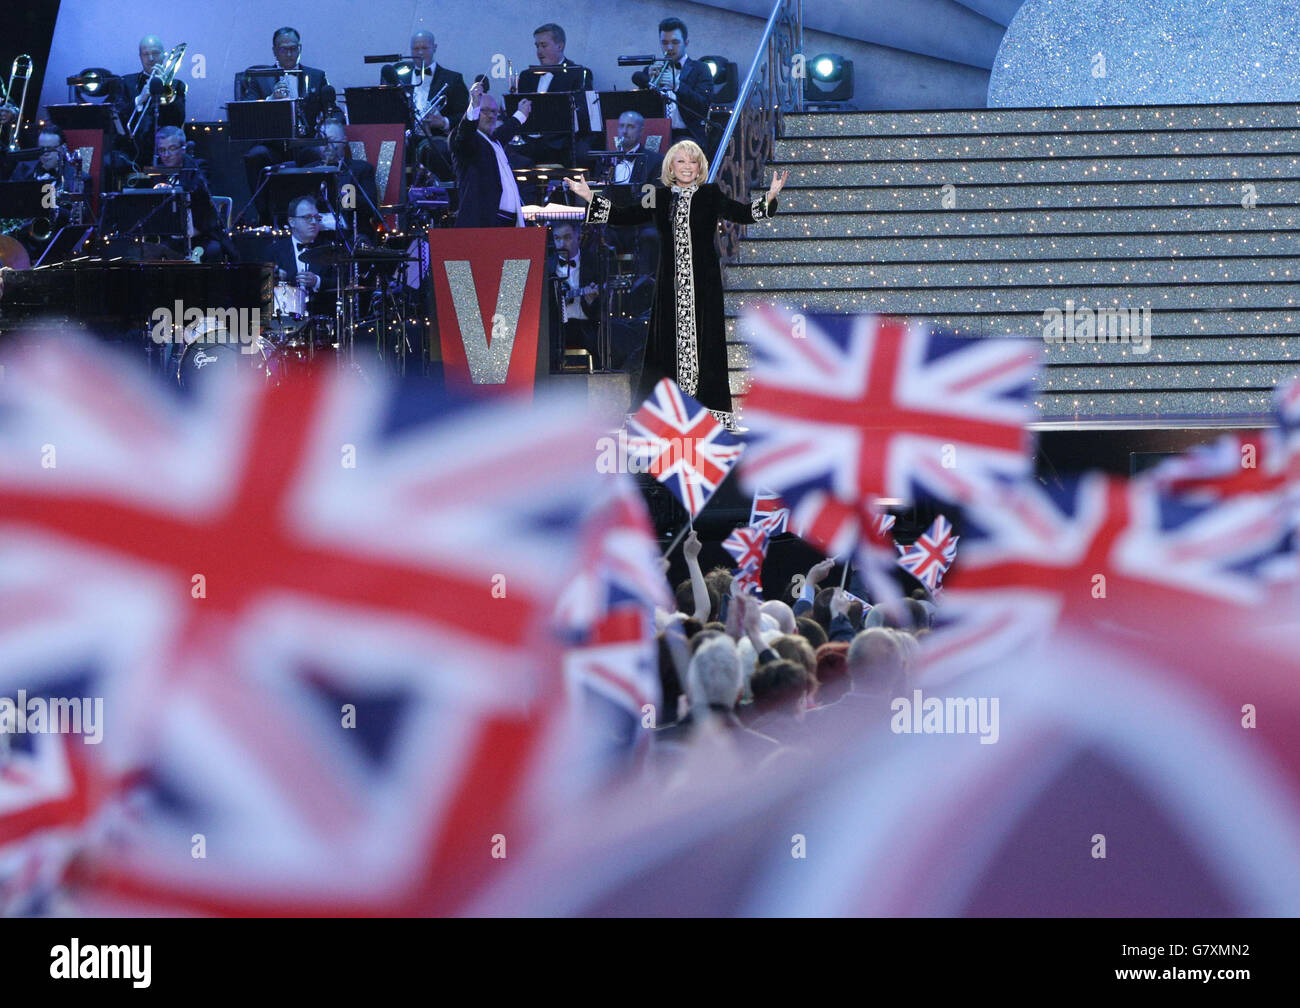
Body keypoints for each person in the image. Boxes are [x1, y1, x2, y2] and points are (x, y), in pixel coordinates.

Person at [564, 141, 786, 427]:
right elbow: (625, 215)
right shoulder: (658, 196)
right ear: (671, 166)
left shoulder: (710, 194)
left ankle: (708, 414)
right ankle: (665, 414)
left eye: (692, 162)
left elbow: (741, 213)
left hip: (704, 286)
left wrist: (769, 198)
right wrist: (589, 196)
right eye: (681, 162)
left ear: (699, 167)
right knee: (664, 348)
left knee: (707, 346)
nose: (687, 167)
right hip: (670, 286)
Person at [241, 28, 332, 223]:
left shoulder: (316, 76)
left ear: (300, 48)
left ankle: (316, 214)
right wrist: (271, 99)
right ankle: (264, 216)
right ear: (275, 51)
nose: (289, 54)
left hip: (302, 142)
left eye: (294, 49)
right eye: (284, 50)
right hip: (271, 143)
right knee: (255, 156)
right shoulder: (258, 77)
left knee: (319, 155)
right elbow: (247, 112)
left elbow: (330, 109)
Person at [380, 30, 470, 184]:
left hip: (435, 137)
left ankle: (446, 198)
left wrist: (444, 122)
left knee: (437, 152)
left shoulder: (453, 79)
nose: (420, 52)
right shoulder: (397, 76)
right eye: (415, 49)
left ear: (434, 47)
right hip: (403, 137)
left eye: (424, 48)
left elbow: (465, 115)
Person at [450, 80, 532, 227]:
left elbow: (506, 130)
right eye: (485, 110)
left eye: (494, 112)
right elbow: (465, 133)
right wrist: (474, 104)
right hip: (485, 223)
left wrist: (521, 114)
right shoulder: (466, 138)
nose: (491, 116)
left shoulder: (493, 140)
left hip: (509, 222)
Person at [631, 17, 712, 147]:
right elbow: (641, 109)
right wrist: (649, 86)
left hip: (688, 134)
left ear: (686, 42)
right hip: (656, 133)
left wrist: (678, 86)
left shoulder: (700, 69)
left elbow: (703, 106)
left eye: (675, 42)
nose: (669, 48)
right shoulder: (650, 69)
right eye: (664, 42)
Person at [112, 34, 188, 172]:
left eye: (155, 53)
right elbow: (119, 118)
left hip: (165, 156)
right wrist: (140, 98)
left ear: (164, 55)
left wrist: (162, 86)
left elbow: (178, 120)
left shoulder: (177, 85)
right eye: (146, 54)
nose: (151, 59)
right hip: (131, 154)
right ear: (140, 56)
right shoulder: (125, 82)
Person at [548, 220, 600, 369]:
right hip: (556, 329)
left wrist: (590, 301)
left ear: (578, 237)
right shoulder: (547, 265)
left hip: (586, 326)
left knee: (598, 342)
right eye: (557, 238)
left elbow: (601, 309)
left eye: (567, 237)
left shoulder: (594, 262)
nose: (561, 244)